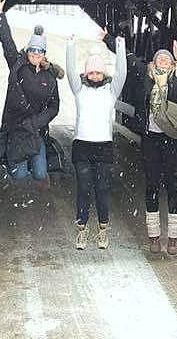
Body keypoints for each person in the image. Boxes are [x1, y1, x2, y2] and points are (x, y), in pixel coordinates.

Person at [101, 29, 177, 254]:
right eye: (159, 57)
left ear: (173, 62)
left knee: (174, 185)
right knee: (152, 185)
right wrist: (107, 39)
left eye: (167, 58)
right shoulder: (146, 76)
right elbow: (127, 56)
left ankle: (173, 237)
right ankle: (154, 236)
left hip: (172, 139)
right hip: (151, 139)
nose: (163, 60)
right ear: (153, 62)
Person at [0, 0, 63, 184]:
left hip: (36, 131)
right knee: (19, 175)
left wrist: (37, 122)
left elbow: (55, 106)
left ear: (44, 54)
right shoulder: (18, 65)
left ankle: (33, 160)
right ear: (28, 51)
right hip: (16, 130)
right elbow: (7, 42)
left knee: (39, 174)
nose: (35, 54)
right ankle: (14, 161)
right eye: (32, 50)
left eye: (39, 51)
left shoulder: (50, 76)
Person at [65, 33, 127, 250]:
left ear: (103, 73)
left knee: (102, 189)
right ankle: (82, 229)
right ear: (86, 72)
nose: (94, 75)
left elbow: (123, 73)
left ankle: (103, 229)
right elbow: (70, 71)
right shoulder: (79, 89)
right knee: (83, 189)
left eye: (98, 71)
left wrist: (120, 46)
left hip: (103, 146)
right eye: (91, 71)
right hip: (82, 145)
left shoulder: (111, 91)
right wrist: (71, 45)